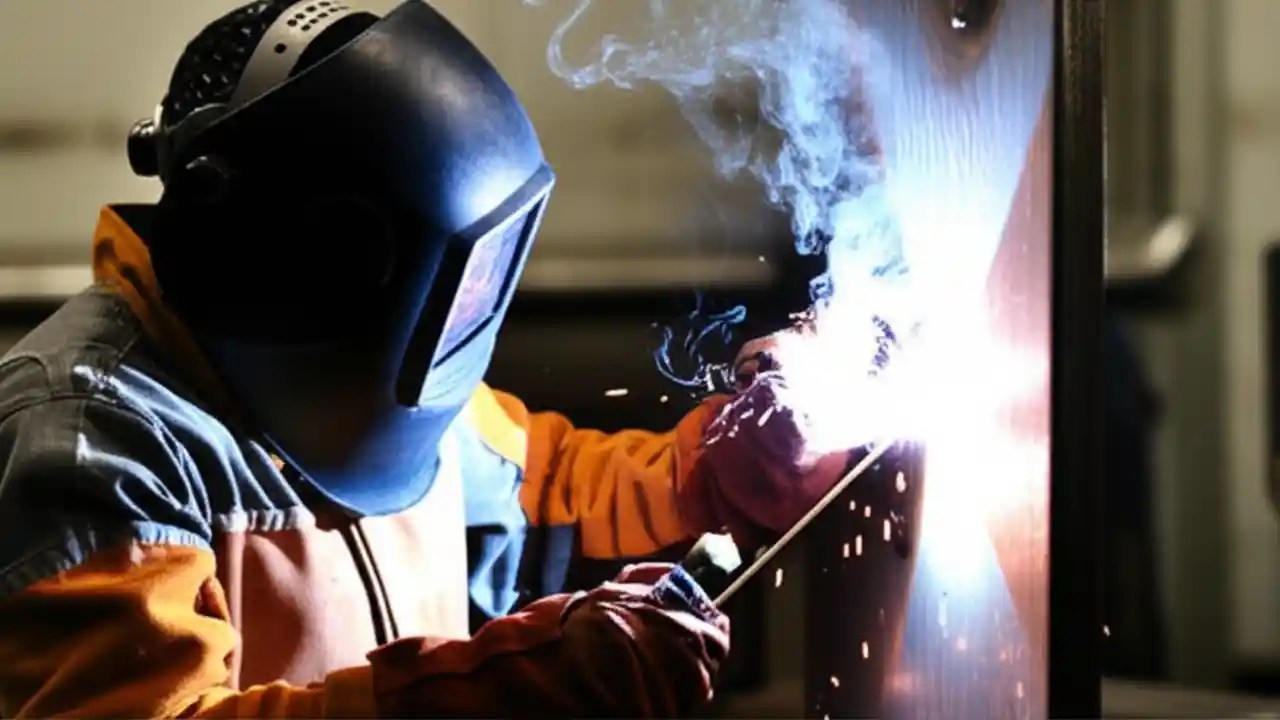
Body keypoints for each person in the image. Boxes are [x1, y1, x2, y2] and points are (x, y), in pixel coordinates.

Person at [0, 1, 846, 717]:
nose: (461, 325)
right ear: (310, 264)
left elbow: (539, 492)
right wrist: (506, 694)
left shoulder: (383, 383)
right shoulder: (89, 443)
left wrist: (702, 476)